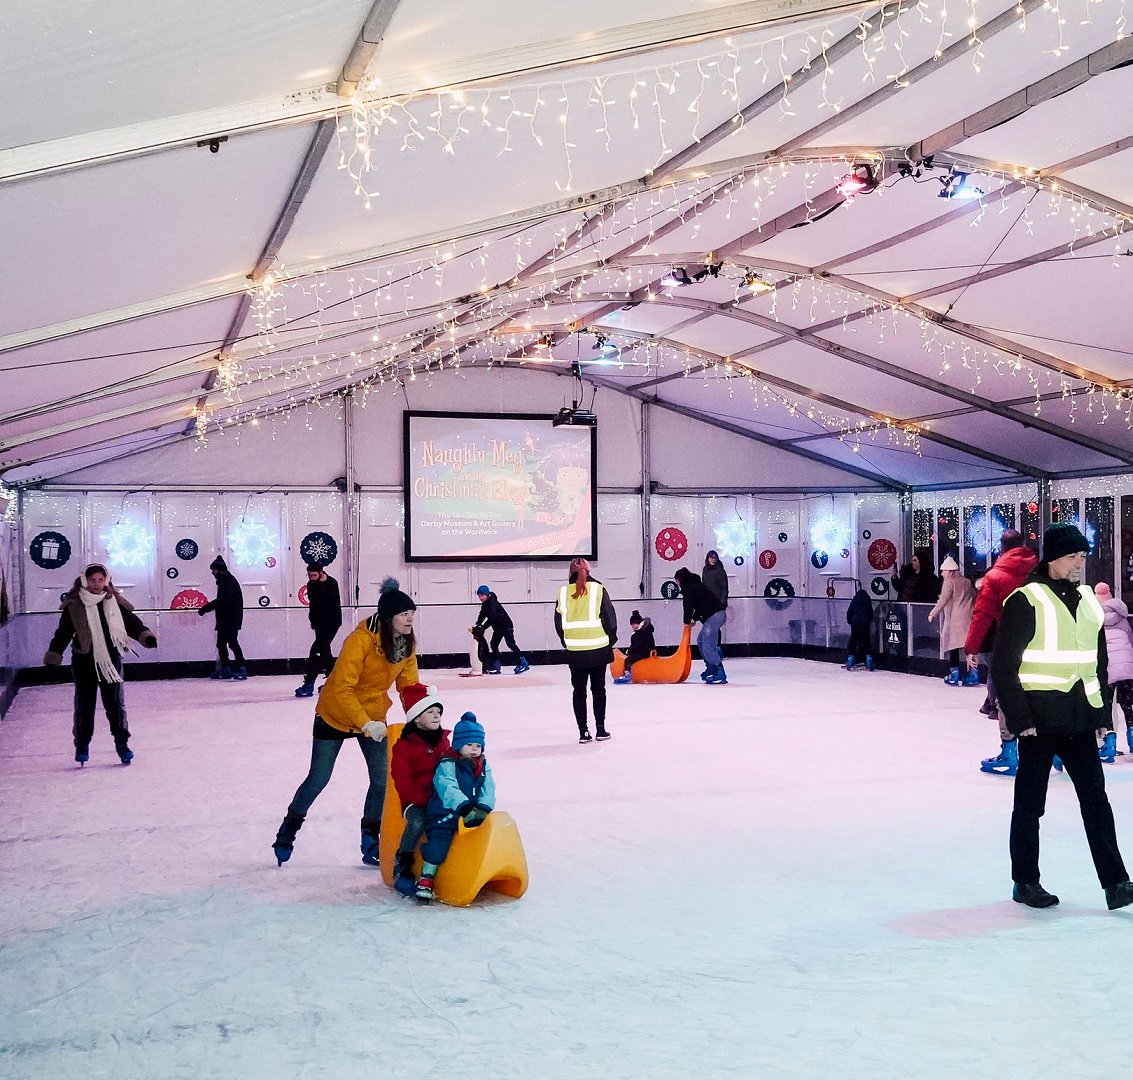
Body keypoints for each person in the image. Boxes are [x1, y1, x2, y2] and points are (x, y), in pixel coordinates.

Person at [991, 521, 1133, 911]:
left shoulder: (1089, 600)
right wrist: (1021, 721)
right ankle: (1025, 880)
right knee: (1030, 805)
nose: (1078, 564)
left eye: (1082, 556)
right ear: (1052, 558)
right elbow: (1005, 667)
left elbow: (1097, 662)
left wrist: (1101, 712)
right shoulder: (1026, 599)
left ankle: (1117, 882)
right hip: (1039, 722)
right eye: (1072, 556)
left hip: (1080, 719)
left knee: (1096, 802)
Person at [271, 577, 419, 868]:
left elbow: (409, 685)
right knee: (319, 778)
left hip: (372, 715)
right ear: (389, 618)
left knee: (381, 780)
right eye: (404, 614)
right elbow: (341, 688)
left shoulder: (405, 645)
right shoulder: (361, 640)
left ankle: (370, 840)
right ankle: (288, 829)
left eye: (412, 614)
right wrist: (366, 723)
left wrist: (420, 715)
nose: (410, 619)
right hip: (335, 714)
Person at [44, 561, 158, 766]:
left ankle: (122, 745)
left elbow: (132, 623)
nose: (96, 584)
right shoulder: (75, 605)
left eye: (100, 580)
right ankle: (82, 745)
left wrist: (145, 636)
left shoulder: (114, 602)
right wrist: (54, 654)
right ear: (84, 581)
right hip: (84, 660)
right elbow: (63, 633)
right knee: (84, 705)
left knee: (115, 705)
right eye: (92, 580)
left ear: (106, 580)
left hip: (111, 660)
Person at [965, 529, 1038, 776]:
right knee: (1042, 693)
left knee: (1006, 696)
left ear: (1002, 548)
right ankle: (1056, 750)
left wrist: (971, 648)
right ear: (1024, 545)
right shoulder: (1039, 572)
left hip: (1008, 644)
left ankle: (1009, 753)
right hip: (1041, 641)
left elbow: (982, 613)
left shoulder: (995, 576)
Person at [415, 712, 495, 903]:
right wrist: (464, 807)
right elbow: (447, 787)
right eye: (469, 745)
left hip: (473, 814)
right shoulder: (447, 764)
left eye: (478, 746)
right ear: (458, 745)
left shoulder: (482, 764)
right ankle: (427, 877)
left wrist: (484, 807)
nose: (475, 750)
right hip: (445, 814)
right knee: (439, 841)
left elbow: (489, 786)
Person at [390, 683, 451, 889]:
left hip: (441, 796)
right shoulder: (405, 746)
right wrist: (423, 799)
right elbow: (402, 780)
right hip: (415, 801)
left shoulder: (444, 741)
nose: (437, 716)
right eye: (430, 712)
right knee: (418, 822)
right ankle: (403, 861)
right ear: (417, 718)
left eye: (438, 712)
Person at [554, 557, 616, 743]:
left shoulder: (563, 593)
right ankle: (601, 729)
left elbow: (558, 624)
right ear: (589, 570)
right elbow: (610, 620)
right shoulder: (598, 589)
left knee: (578, 691)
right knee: (599, 690)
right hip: (598, 648)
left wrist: (568, 643)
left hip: (575, 651)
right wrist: (609, 641)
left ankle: (583, 732)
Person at [1094, 583, 1133, 762]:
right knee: (1128, 705)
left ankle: (1109, 746)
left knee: (1107, 706)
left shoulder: (1096, 618)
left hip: (1107, 668)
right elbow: (1130, 640)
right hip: (1126, 668)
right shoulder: (1122, 616)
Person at [673, 566, 728, 684]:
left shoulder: (689, 588)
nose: (677, 584)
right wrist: (694, 619)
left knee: (707, 646)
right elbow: (700, 605)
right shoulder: (696, 585)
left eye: (677, 581)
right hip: (716, 614)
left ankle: (719, 671)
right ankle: (711, 667)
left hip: (715, 615)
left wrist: (687, 621)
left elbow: (688, 607)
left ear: (681, 580)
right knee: (701, 641)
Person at [295, 563, 342, 697]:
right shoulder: (310, 585)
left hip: (331, 622)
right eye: (309, 575)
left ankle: (310, 683)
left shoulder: (331, 583)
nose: (311, 578)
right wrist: (313, 620)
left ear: (321, 573)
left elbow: (325, 602)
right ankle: (334, 682)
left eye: (314, 575)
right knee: (324, 651)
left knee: (316, 651)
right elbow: (314, 603)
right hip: (320, 623)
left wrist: (321, 585)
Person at [927, 555, 976, 685]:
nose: (942, 574)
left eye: (943, 571)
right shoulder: (966, 581)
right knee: (969, 645)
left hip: (955, 617)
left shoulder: (950, 581)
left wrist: (933, 613)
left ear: (949, 571)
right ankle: (973, 673)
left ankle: (954, 673)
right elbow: (973, 596)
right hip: (969, 616)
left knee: (952, 644)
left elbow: (943, 598)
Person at [198, 555, 245, 680]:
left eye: (213, 570)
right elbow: (222, 601)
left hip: (230, 619)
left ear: (220, 570)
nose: (212, 573)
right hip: (225, 619)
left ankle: (241, 668)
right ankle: (226, 668)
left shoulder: (228, 582)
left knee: (232, 643)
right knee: (221, 644)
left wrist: (205, 608)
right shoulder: (224, 581)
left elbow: (222, 601)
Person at [472, 585, 529, 674]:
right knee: (494, 644)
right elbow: (482, 615)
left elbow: (492, 618)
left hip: (506, 626)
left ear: (487, 594)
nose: (480, 597)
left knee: (511, 644)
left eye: (482, 595)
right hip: (498, 628)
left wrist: (483, 628)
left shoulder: (493, 603)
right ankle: (496, 666)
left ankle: (523, 662)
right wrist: (477, 624)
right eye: (479, 595)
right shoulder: (485, 604)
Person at [614, 609, 655, 684]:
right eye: (631, 624)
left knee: (628, 660)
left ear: (638, 623)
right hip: (648, 650)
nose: (632, 626)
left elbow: (636, 645)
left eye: (633, 624)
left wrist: (629, 651)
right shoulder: (645, 630)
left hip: (644, 651)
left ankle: (627, 675)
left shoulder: (640, 633)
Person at [845, 588, 875, 671]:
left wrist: (849, 621)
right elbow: (870, 613)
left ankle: (851, 658)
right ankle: (869, 658)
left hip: (855, 623)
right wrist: (869, 621)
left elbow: (849, 611)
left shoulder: (855, 599)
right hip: (865, 623)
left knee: (853, 641)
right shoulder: (867, 600)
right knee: (866, 641)